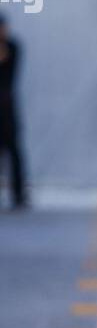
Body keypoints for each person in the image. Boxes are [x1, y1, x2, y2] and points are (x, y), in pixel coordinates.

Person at [0, 16, 26, 209]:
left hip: (7, 108)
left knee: (14, 151)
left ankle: (19, 195)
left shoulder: (13, 47)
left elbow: (10, 75)